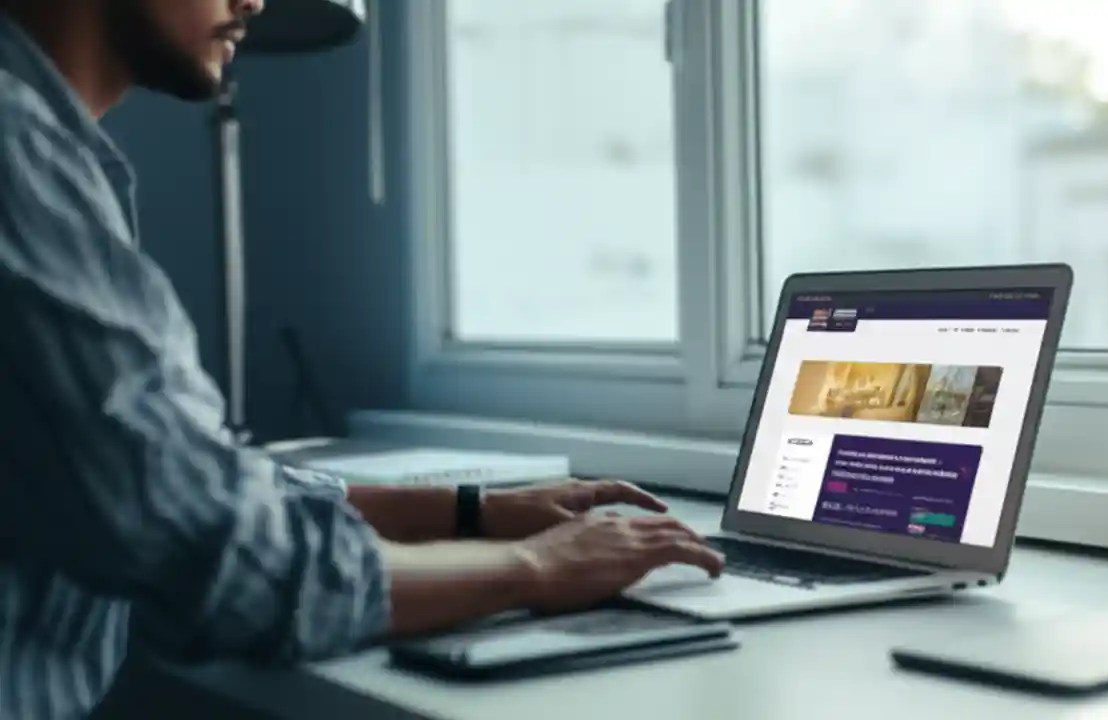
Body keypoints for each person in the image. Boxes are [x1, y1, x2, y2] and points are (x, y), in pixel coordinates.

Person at [0, 1, 725, 717]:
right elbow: (229, 568)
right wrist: (535, 568)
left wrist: (468, 513)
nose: (256, 0)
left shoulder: (42, 151)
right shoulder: (17, 159)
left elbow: (173, 482)